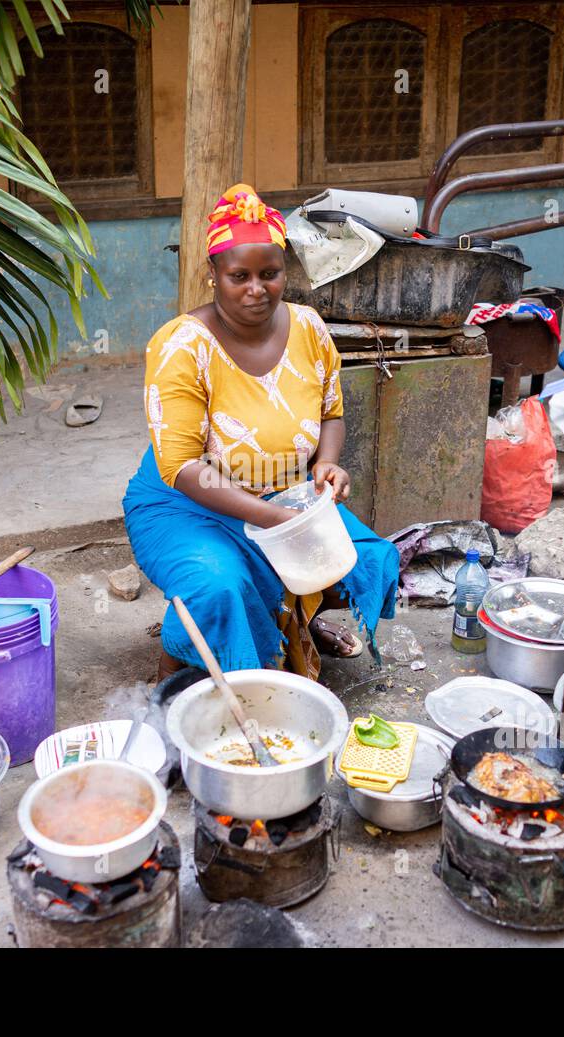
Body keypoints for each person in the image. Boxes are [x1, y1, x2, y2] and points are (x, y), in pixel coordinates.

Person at [122, 183, 399, 682]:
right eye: (239, 276)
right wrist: (274, 519)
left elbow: (332, 413)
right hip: (186, 503)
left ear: (285, 271)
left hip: (281, 492)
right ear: (213, 275)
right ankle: (175, 666)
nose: (257, 289)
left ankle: (296, 624)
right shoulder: (182, 347)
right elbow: (182, 468)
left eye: (269, 274)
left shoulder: (310, 328)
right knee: (221, 586)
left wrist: (326, 464)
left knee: (364, 561)